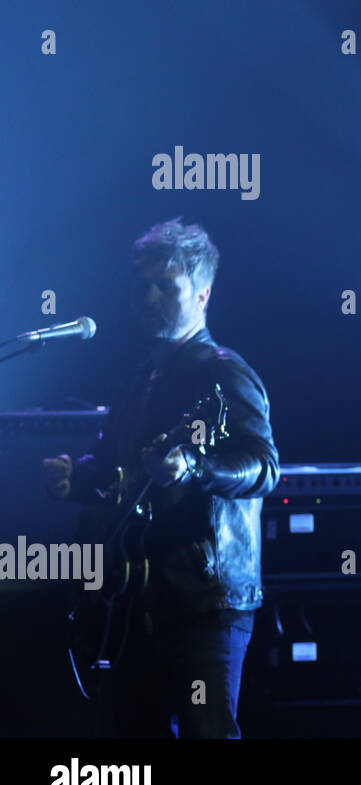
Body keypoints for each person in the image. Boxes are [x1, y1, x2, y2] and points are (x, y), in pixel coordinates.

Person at [42, 218, 279, 738]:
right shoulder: (140, 379)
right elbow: (112, 467)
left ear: (202, 293)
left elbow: (263, 467)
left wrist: (195, 467)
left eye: (164, 286)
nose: (148, 297)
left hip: (205, 598)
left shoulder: (224, 372)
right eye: (141, 286)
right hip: (136, 595)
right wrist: (75, 479)